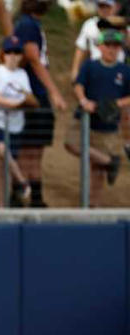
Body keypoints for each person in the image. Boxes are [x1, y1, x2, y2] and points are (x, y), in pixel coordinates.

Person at [65, 29, 130, 206]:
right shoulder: (89, 65)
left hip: (107, 124)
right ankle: (111, 161)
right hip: (85, 118)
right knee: (72, 143)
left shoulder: (125, 70)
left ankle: (93, 206)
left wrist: (117, 104)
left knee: (97, 170)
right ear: (100, 47)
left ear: (120, 48)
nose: (111, 49)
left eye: (115, 46)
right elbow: (78, 85)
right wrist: (84, 100)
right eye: (107, 45)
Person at [15, 0, 67, 207]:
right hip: (33, 96)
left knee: (35, 152)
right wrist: (54, 92)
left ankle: (36, 198)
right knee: (26, 152)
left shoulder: (32, 24)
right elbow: (33, 58)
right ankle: (19, 196)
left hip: (38, 94)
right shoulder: (27, 24)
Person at [0, 36, 38, 207]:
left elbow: (28, 96)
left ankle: (3, 204)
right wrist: (18, 104)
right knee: (1, 149)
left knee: (5, 165)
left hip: (14, 124)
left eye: (16, 52)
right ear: (3, 54)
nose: (13, 56)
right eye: (9, 52)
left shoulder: (22, 74)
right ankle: (21, 181)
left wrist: (29, 102)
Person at [70, 0, 125, 82]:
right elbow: (81, 48)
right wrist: (75, 70)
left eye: (107, 6)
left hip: (118, 71)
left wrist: (122, 29)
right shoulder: (90, 25)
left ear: (115, 7)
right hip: (96, 70)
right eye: (101, 6)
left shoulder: (122, 25)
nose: (104, 9)